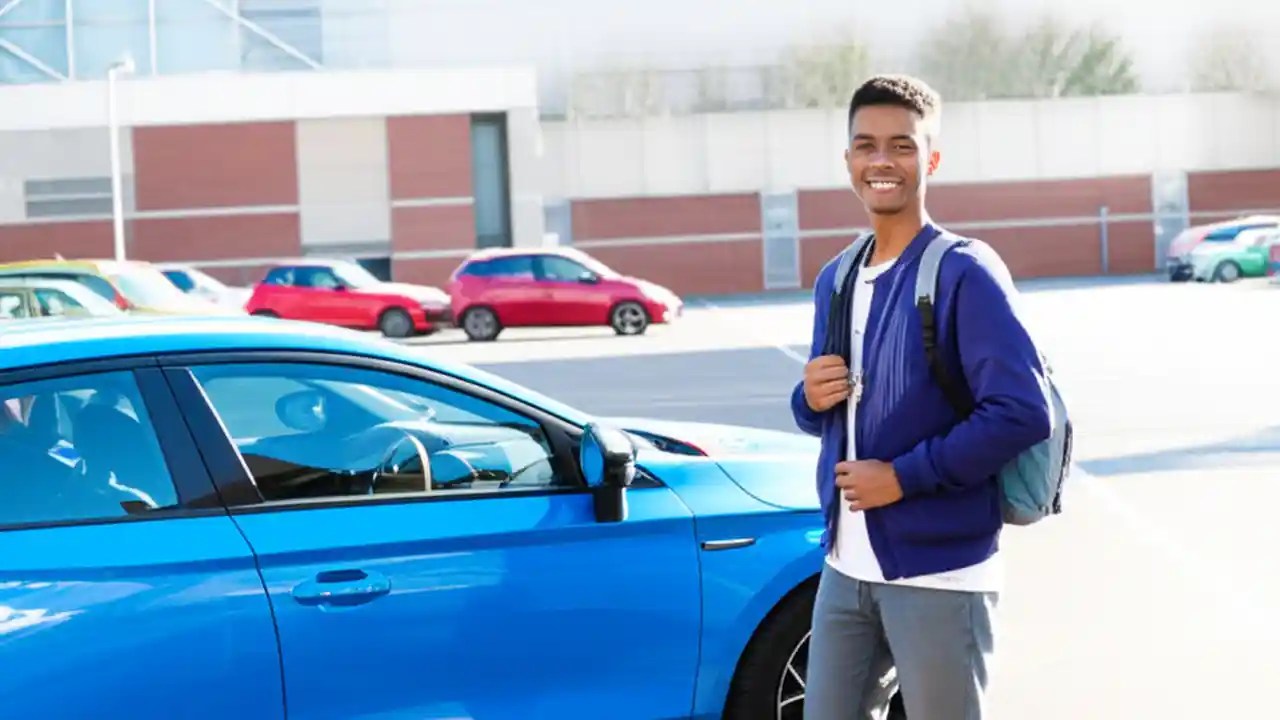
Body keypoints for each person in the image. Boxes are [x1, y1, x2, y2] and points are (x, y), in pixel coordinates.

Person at [791, 74, 1053, 719]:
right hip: (846, 566)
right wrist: (807, 399)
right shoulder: (838, 276)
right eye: (866, 145)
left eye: (902, 146)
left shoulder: (966, 270)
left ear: (930, 159)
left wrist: (903, 478)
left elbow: (1022, 412)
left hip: (941, 571)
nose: (882, 161)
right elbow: (830, 413)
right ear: (848, 159)